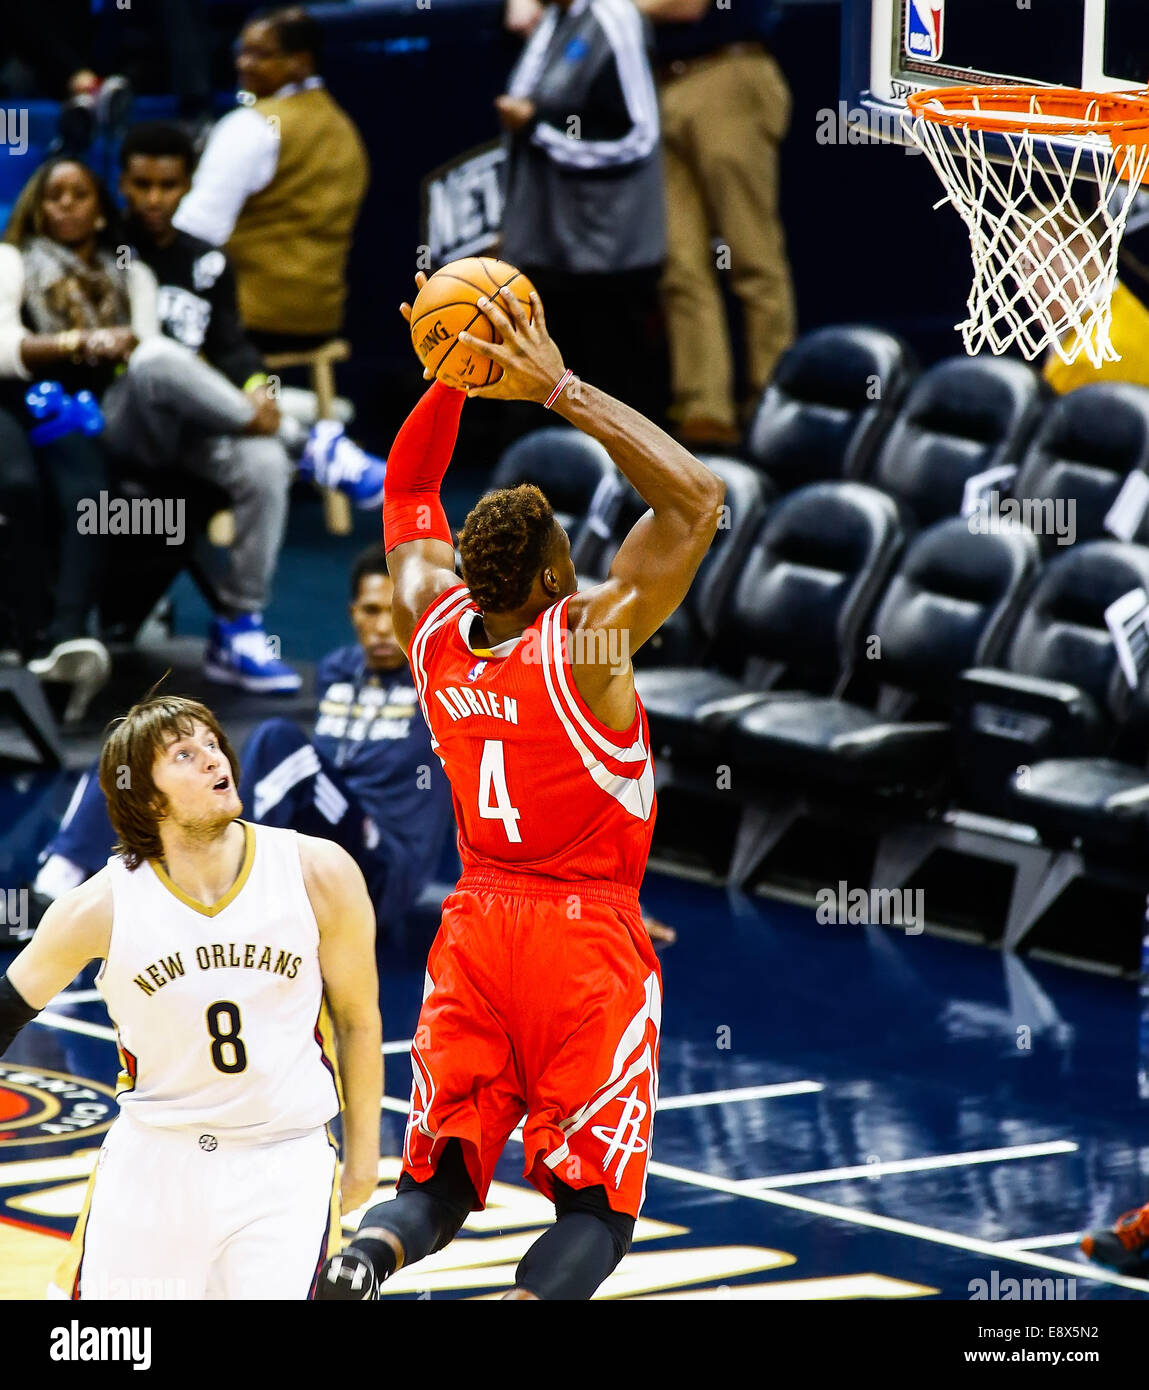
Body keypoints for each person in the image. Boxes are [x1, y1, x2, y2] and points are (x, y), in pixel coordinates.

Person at [318, 273, 723, 1300]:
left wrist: (448, 376)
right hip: (583, 941)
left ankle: (361, 1262)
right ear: (553, 580)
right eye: (569, 553)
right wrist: (555, 387)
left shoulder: (432, 629)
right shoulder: (589, 643)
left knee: (440, 1181)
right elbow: (696, 499)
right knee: (597, 1210)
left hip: (476, 927)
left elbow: (409, 494)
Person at [0, 693, 382, 1299]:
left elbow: (360, 1022)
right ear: (148, 798)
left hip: (283, 1161)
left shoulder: (317, 872)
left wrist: (365, 1157)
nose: (211, 757)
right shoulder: (99, 906)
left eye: (212, 743)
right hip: (154, 1161)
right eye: (184, 753)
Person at [32, 545, 455, 955]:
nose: (383, 627)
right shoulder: (337, 669)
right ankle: (54, 885)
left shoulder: (440, 676)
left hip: (380, 868)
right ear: (352, 614)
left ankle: (228, 885)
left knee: (279, 741)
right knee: (145, 743)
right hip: (317, 854)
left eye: (393, 611)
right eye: (371, 611)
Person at [1, 155, 304, 699]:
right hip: (54, 414)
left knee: (260, 456)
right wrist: (79, 343)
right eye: (54, 196)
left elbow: (144, 352)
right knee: (153, 378)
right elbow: (2, 351)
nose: (66, 205)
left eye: (79, 195)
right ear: (37, 207)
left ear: (100, 211)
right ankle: (311, 442)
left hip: (132, 414)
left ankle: (239, 626)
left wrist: (251, 387)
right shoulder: (13, 261)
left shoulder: (131, 271)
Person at [120, 121, 387, 510]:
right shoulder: (107, 250)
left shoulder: (208, 259)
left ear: (189, 185)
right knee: (155, 357)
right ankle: (306, 442)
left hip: (199, 417)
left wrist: (257, 385)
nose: (154, 199)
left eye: (168, 186)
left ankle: (246, 574)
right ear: (122, 182)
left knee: (265, 464)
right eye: (142, 185)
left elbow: (230, 344)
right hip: (132, 415)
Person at [496, 0, 669, 427]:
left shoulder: (614, 19)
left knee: (618, 393)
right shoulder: (554, 20)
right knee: (558, 394)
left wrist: (539, 128)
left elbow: (637, 135)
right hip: (554, 247)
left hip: (608, 252)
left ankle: (636, 491)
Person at [637, 0, 795, 445]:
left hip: (727, 75)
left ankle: (775, 407)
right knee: (680, 266)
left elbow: (687, 6)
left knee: (752, 258)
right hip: (659, 85)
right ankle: (705, 411)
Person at [173, 6, 369, 353]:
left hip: (250, 323)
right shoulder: (346, 128)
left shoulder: (251, 125)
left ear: (301, 62)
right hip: (320, 320)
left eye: (260, 55)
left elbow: (195, 231)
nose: (243, 64)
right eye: (242, 51)